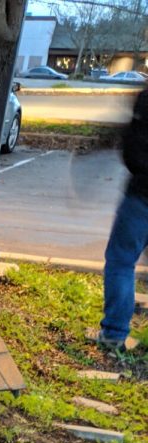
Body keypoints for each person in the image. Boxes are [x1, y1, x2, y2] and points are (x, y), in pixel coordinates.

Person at [98, 85, 148, 352]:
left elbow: (132, 145)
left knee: (121, 262)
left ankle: (114, 333)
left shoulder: (145, 99)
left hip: (141, 196)